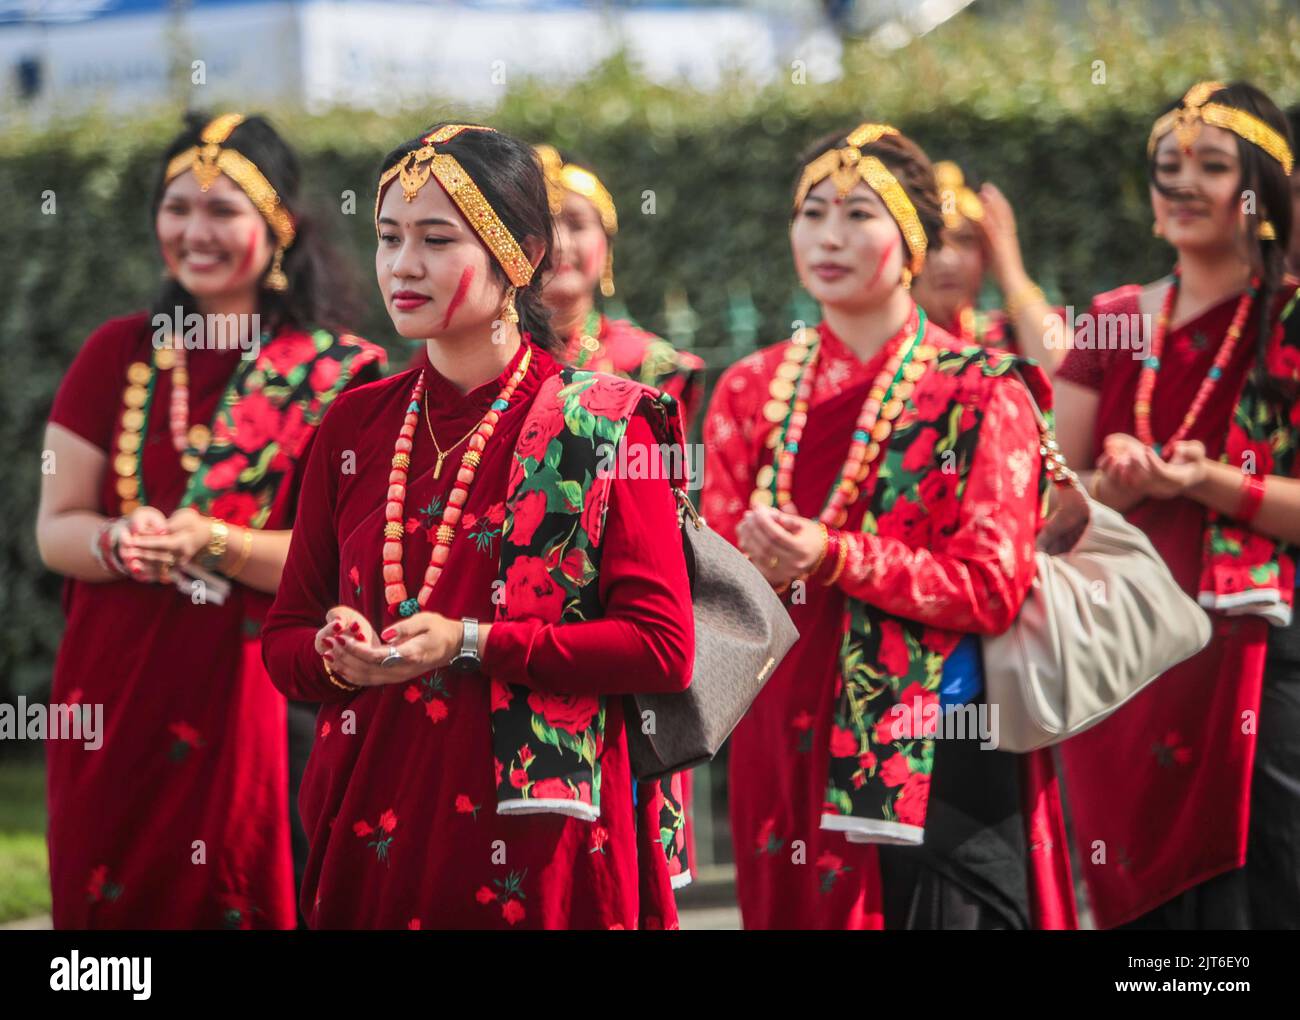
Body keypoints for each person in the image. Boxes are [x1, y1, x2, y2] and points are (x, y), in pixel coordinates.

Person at [261, 122, 695, 929]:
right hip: (372, 821)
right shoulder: (354, 426)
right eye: (389, 237)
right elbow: (284, 640)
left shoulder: (603, 425)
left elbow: (661, 649)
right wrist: (337, 655)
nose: (403, 265)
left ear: (523, 253)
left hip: (542, 852)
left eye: (435, 239)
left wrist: (471, 641)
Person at [702, 122, 1076, 929]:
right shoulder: (747, 389)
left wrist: (834, 556)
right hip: (782, 737)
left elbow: (992, 587)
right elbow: (714, 581)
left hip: (937, 744)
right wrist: (756, 565)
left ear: (912, 241)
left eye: (860, 213)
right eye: (812, 213)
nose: (829, 237)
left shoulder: (980, 390)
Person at [36, 111, 385, 929]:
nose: (195, 231)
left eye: (223, 210)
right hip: (117, 694)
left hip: (268, 698)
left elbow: (344, 564)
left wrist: (214, 541)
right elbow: (57, 528)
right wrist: (117, 542)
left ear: (280, 224)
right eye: (176, 207)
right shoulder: (113, 354)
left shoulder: (343, 377)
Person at [1055, 81, 1300, 928]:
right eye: (1169, 167)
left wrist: (1211, 484)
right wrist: (1108, 487)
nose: (1184, 183)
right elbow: (1049, 498)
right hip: (1128, 655)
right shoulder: (1113, 323)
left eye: (1213, 165)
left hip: (1263, 659)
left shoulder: (1289, 318)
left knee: (1267, 880)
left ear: (1261, 188)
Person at [911, 160, 1065, 371]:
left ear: (987, 252)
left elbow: (1067, 376)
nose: (947, 259)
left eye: (965, 240)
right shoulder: (878, 344)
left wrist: (1011, 271)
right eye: (930, 242)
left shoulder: (1009, 335)